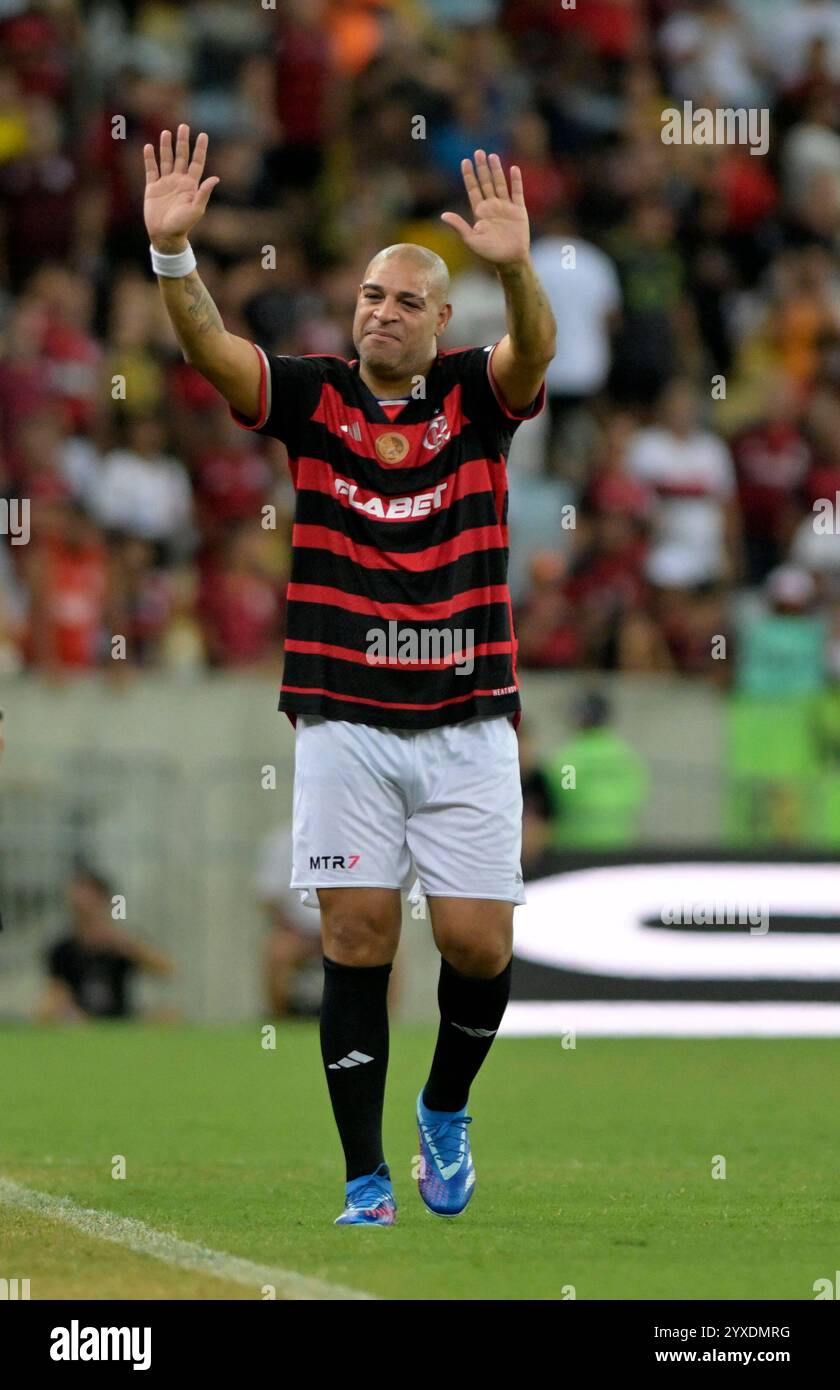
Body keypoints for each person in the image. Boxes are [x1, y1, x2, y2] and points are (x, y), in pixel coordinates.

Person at [143, 126, 555, 1225]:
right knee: (356, 938)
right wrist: (176, 260)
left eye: (407, 299)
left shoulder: (475, 400)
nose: (382, 309)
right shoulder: (313, 399)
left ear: (440, 322)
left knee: (478, 943)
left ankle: (447, 1109)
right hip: (343, 720)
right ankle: (366, 1179)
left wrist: (515, 266)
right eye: (371, 293)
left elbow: (535, 356)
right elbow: (212, 355)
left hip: (468, 717)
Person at [37, 866, 176, 1022]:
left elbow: (168, 970)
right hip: (80, 1021)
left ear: (103, 899)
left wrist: (129, 946)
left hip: (123, 1019)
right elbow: (57, 993)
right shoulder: (62, 949)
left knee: (170, 1016)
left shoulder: (120, 943)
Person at [544, 691, 649, 850]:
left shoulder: (569, 756)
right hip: (620, 840)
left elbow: (562, 793)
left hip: (574, 842)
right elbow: (637, 791)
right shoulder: (625, 755)